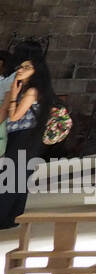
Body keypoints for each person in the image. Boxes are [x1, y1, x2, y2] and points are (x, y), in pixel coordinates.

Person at [0, 56, 55, 229]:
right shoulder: (16, 89)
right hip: (15, 136)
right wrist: (11, 95)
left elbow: (15, 116)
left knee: (12, 176)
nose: (21, 70)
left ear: (36, 72)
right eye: (21, 66)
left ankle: (6, 217)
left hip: (28, 137)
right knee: (18, 177)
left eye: (27, 67)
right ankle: (12, 218)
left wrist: (13, 96)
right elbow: (3, 114)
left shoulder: (32, 91)